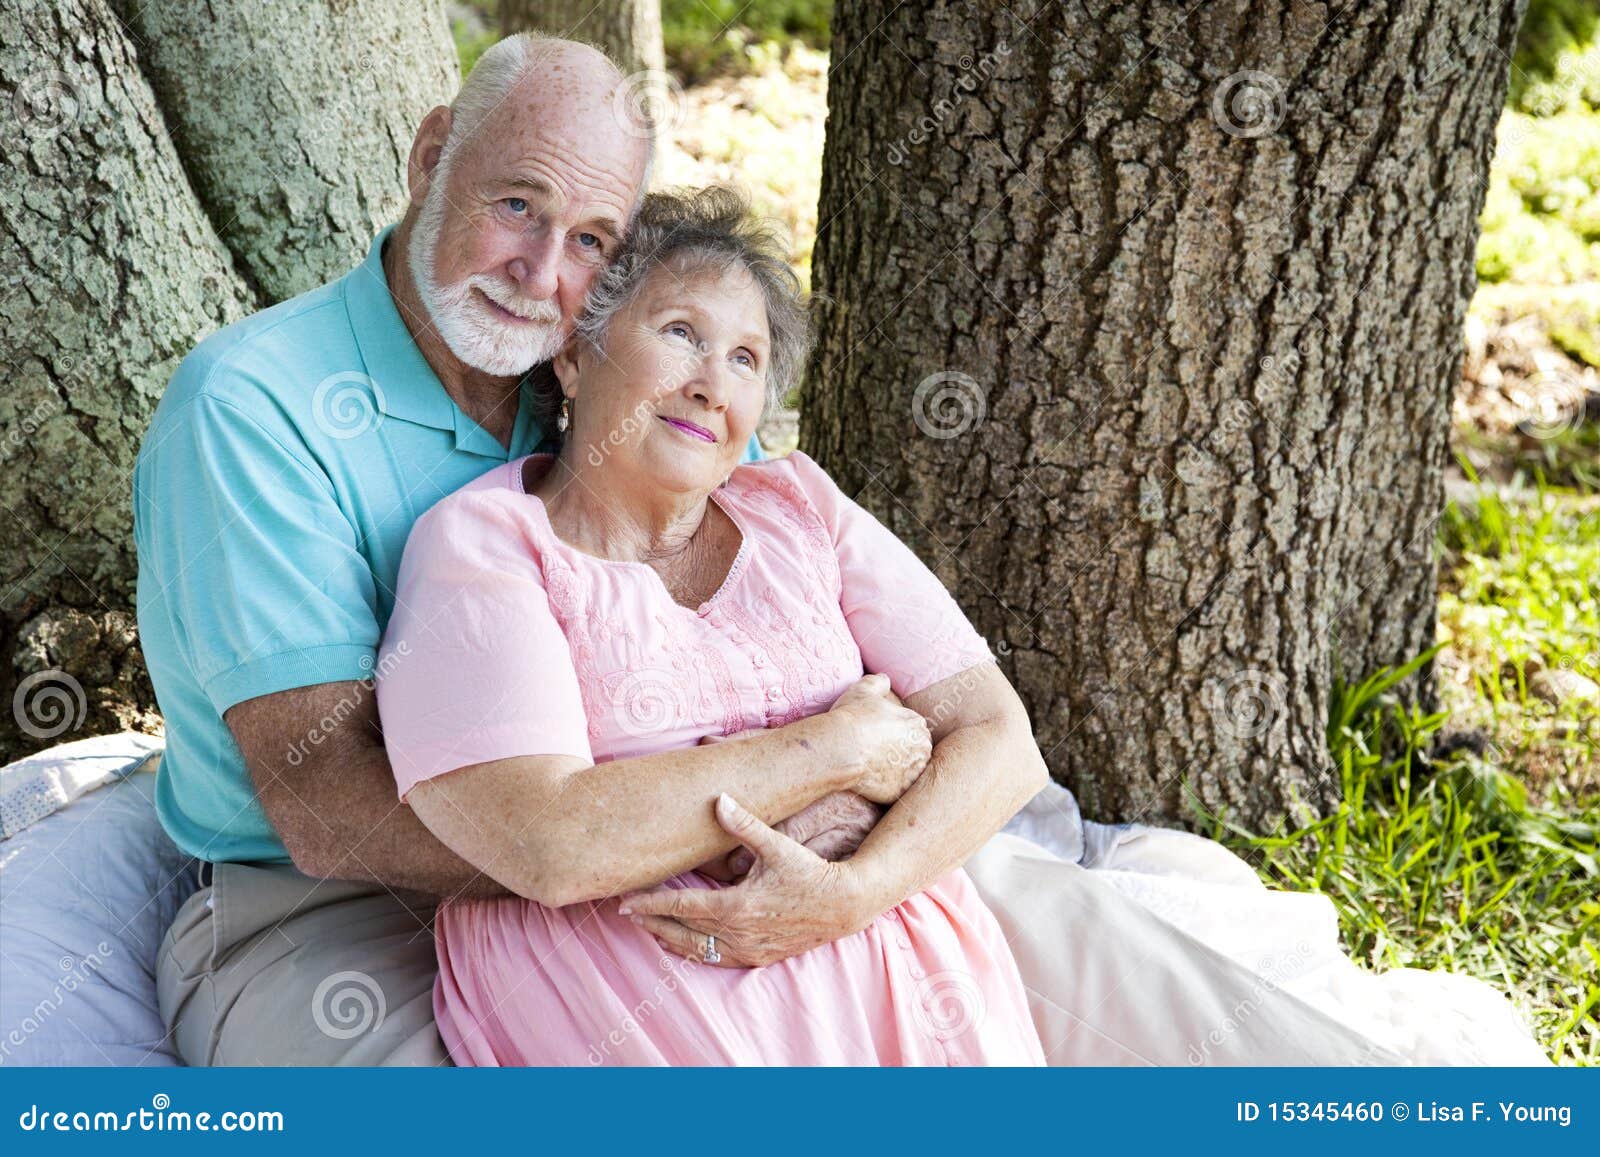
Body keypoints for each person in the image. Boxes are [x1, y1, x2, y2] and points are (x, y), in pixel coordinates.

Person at [137, 32, 1424, 1068]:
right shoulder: (256, 407)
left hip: (758, 850)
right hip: (333, 905)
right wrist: (759, 807)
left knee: (1107, 967)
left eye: (590, 240)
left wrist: (851, 878)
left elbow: (879, 651)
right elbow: (325, 807)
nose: (541, 272)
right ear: (431, 159)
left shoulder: (612, 375)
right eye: (513, 205)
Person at [375, 186, 1049, 1064]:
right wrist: (836, 752)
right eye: (683, 334)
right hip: (633, 994)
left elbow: (999, 735)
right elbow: (554, 844)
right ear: (575, 357)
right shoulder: (487, 548)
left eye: (745, 357)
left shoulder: (801, 504)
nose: (711, 383)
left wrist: (850, 891)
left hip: (895, 959)